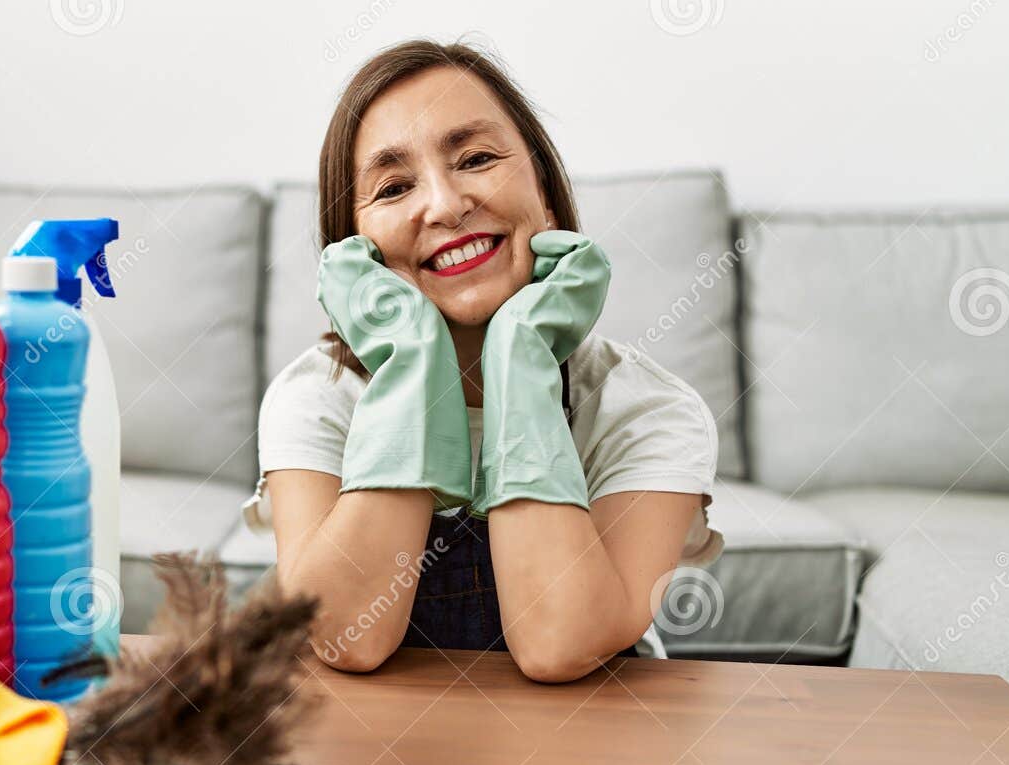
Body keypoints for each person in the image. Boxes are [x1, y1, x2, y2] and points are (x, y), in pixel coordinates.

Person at [244, 40, 724, 682]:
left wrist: (520, 361)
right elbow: (345, 636)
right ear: (353, 251)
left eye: (475, 158)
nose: (444, 205)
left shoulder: (648, 411)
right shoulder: (317, 397)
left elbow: (561, 644)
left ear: (546, 196)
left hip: (588, 750)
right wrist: (415, 364)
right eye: (393, 187)